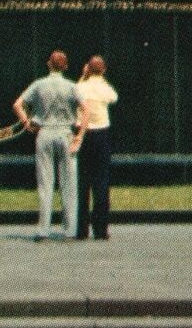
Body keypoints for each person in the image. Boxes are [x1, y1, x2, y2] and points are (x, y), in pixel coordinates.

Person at [13, 50, 83, 240]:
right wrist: (80, 135)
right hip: (66, 133)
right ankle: (70, 229)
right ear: (66, 66)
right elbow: (86, 110)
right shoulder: (72, 86)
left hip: (44, 133)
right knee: (69, 183)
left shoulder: (39, 84)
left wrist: (27, 123)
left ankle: (43, 229)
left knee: (45, 183)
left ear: (49, 64)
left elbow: (18, 104)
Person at [74, 55, 119, 241]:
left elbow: (74, 94)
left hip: (82, 133)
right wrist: (100, 78)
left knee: (82, 182)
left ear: (87, 69)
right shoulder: (104, 87)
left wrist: (83, 77)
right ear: (103, 70)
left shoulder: (81, 86)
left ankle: (81, 229)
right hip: (101, 134)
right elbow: (113, 98)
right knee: (101, 182)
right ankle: (101, 229)